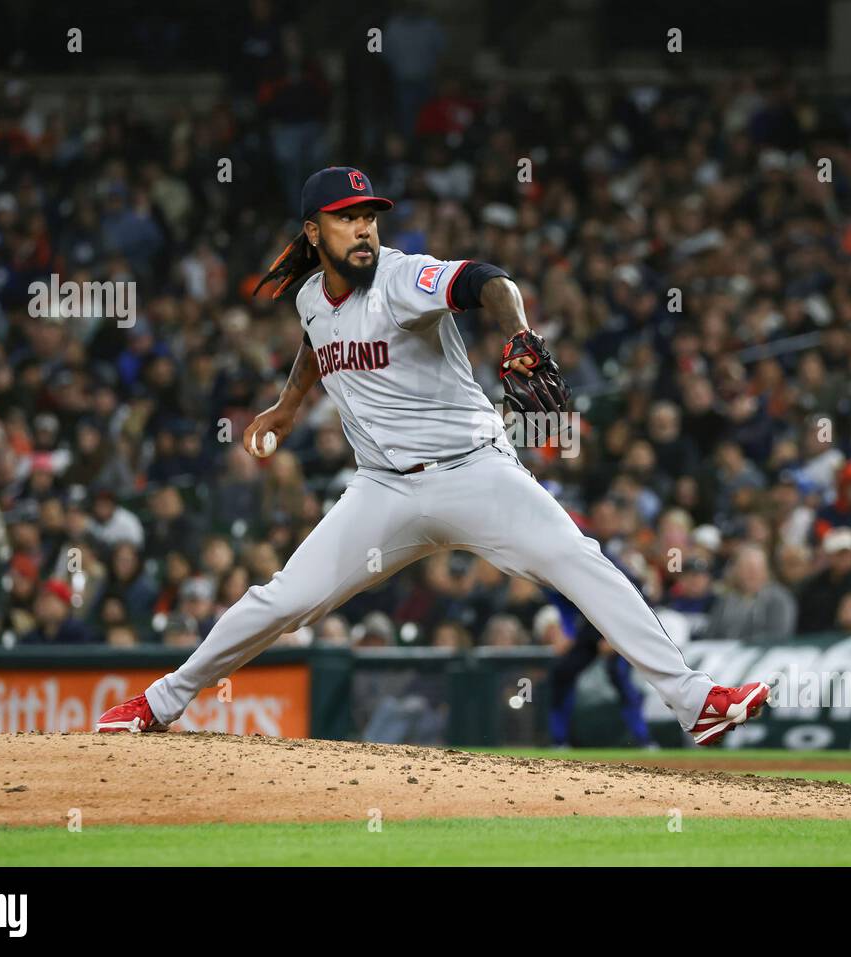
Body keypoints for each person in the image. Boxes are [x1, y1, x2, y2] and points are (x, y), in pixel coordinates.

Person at [96, 166, 769, 745]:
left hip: (473, 474)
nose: (363, 228)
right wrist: (286, 406)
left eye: (369, 216)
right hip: (381, 493)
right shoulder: (309, 297)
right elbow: (315, 340)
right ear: (313, 233)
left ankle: (695, 702)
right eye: (345, 218)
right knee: (281, 599)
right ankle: (157, 705)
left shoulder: (401, 277)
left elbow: (488, 280)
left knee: (577, 558)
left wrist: (520, 333)